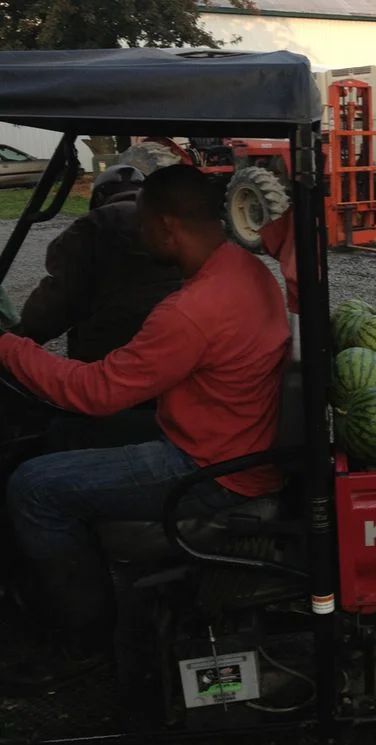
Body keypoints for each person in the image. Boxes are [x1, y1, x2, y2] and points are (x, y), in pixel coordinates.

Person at [0, 164, 291, 667]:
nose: (137, 235)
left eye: (141, 224)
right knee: (62, 434)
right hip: (227, 438)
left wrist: (8, 347)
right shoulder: (243, 270)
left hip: (210, 471)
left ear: (165, 227)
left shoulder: (190, 311)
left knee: (32, 487)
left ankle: (83, 638)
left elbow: (95, 391)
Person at [15, 164, 180, 363]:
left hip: (108, 352)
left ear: (99, 197)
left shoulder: (92, 225)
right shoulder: (171, 224)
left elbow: (61, 295)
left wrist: (20, 338)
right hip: (173, 342)